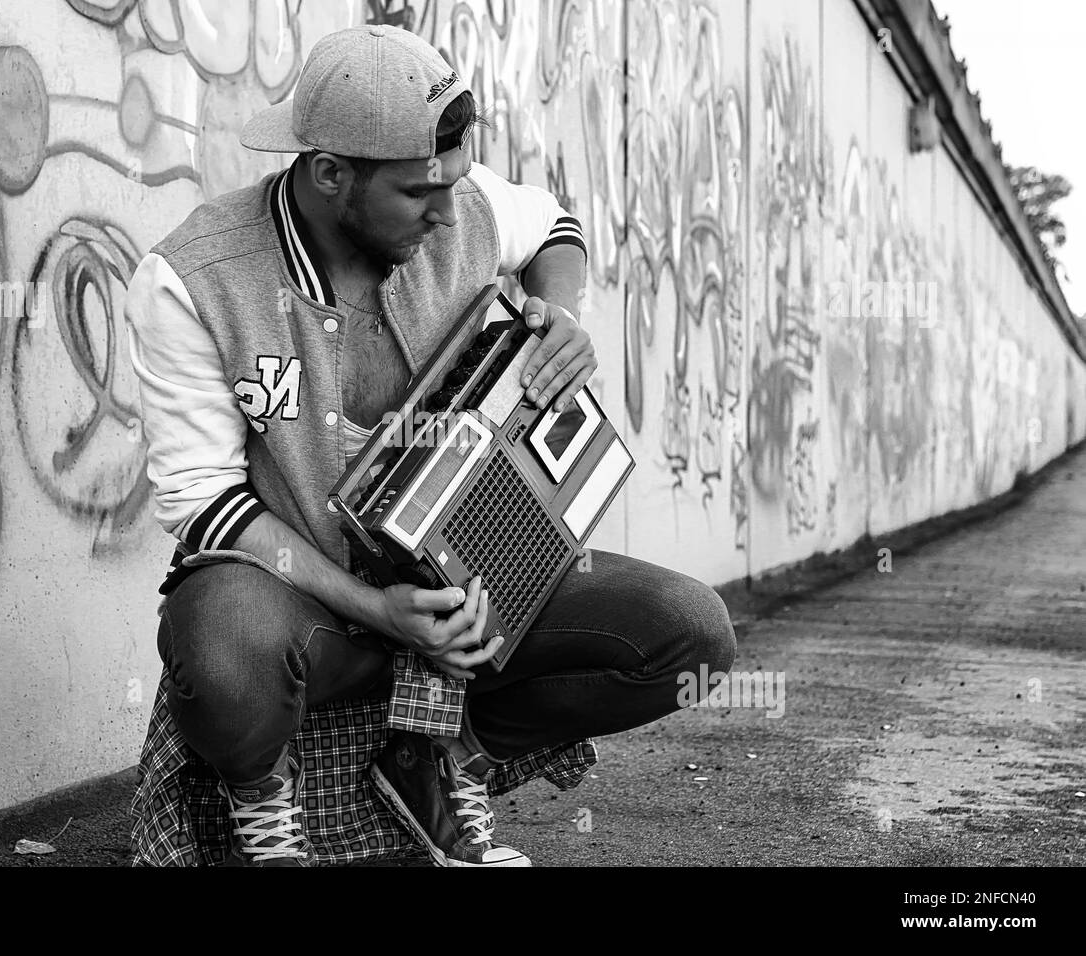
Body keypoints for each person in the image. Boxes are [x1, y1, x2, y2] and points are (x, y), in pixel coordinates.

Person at [124, 23, 736, 867]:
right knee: (223, 649)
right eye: (420, 194)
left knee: (688, 634)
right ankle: (261, 805)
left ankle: (445, 761)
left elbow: (554, 227)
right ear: (330, 173)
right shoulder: (191, 278)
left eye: (451, 182)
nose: (449, 211)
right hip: (303, 603)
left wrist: (561, 314)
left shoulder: (456, 197)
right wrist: (376, 609)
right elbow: (203, 505)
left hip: (467, 581)